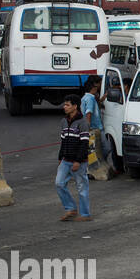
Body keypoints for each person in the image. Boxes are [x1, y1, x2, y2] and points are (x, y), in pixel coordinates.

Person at [56, 94, 92, 222]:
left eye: (67, 105)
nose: (64, 107)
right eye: (64, 104)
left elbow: (84, 144)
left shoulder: (83, 123)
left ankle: (85, 214)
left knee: (82, 188)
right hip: (66, 160)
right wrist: (60, 157)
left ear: (75, 106)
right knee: (59, 184)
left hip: (79, 162)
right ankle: (70, 208)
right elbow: (63, 141)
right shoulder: (64, 122)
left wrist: (78, 161)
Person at [80, 74, 105, 165]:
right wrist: (88, 127)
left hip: (92, 127)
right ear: (93, 87)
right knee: (104, 148)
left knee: (92, 150)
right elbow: (88, 113)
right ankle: (97, 166)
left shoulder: (85, 98)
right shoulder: (90, 98)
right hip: (95, 128)